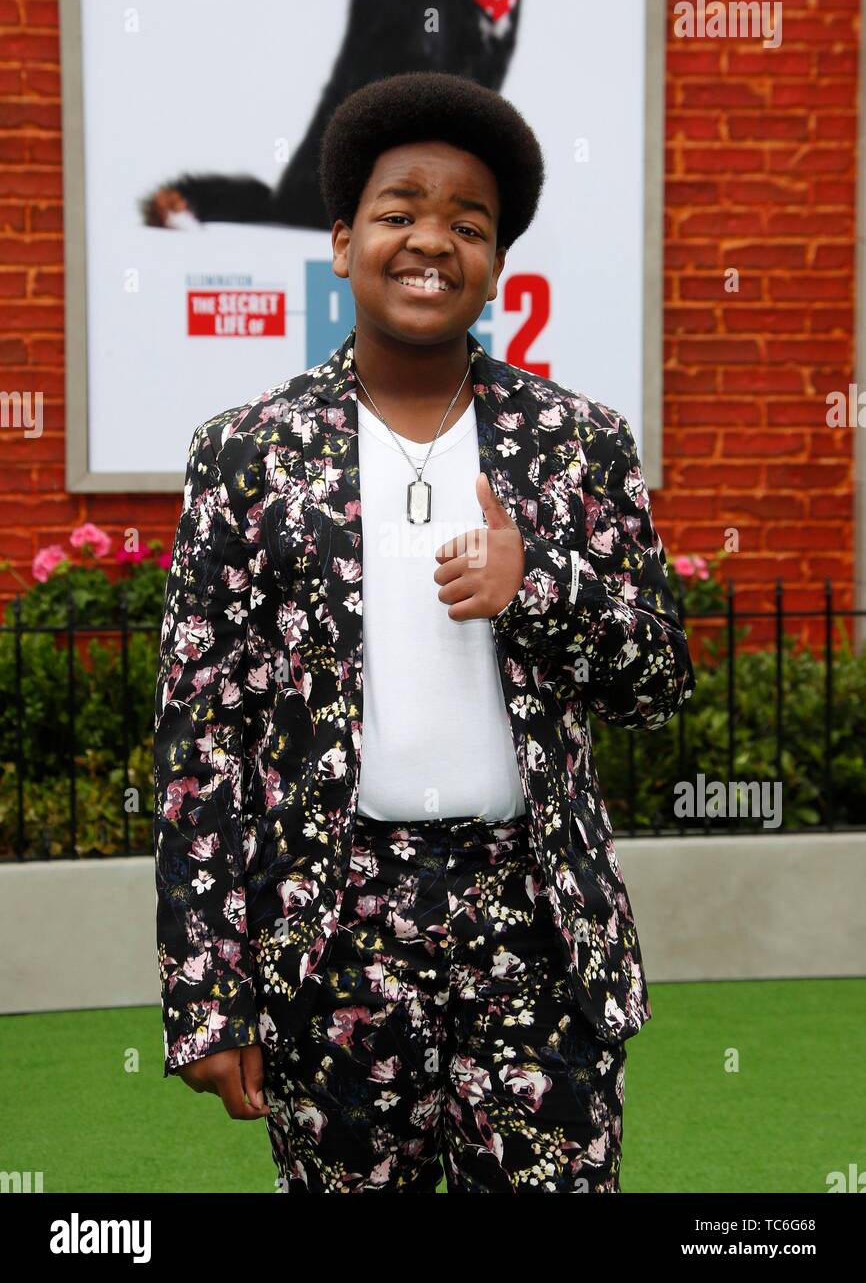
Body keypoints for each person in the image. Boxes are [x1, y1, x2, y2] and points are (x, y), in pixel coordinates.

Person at [152, 70, 695, 1193]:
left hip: (535, 932)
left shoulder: (575, 443)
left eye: (468, 224)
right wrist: (208, 991)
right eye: (399, 213)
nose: (430, 242)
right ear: (344, 239)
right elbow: (202, 739)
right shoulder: (245, 454)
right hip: (333, 937)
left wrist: (534, 583)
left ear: (496, 260)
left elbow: (658, 677)